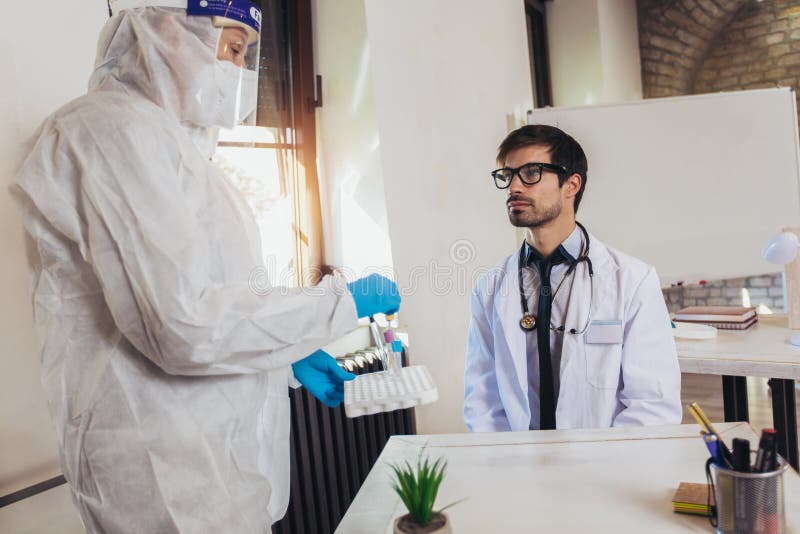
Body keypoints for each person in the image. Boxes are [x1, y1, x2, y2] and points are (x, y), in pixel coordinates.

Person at [9, 1, 399, 532]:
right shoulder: (109, 132)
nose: (239, 73)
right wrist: (341, 302)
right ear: (168, 29)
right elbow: (181, 326)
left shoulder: (173, 146)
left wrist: (285, 359)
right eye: (233, 49)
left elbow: (215, 297)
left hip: (206, 464)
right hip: (159, 471)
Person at [463, 124, 681, 432]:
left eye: (531, 173)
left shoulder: (633, 280)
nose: (514, 187)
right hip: (518, 464)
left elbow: (653, 402)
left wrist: (601, 468)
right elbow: (482, 397)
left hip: (605, 465)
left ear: (571, 185)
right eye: (508, 176)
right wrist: (507, 461)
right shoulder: (489, 287)